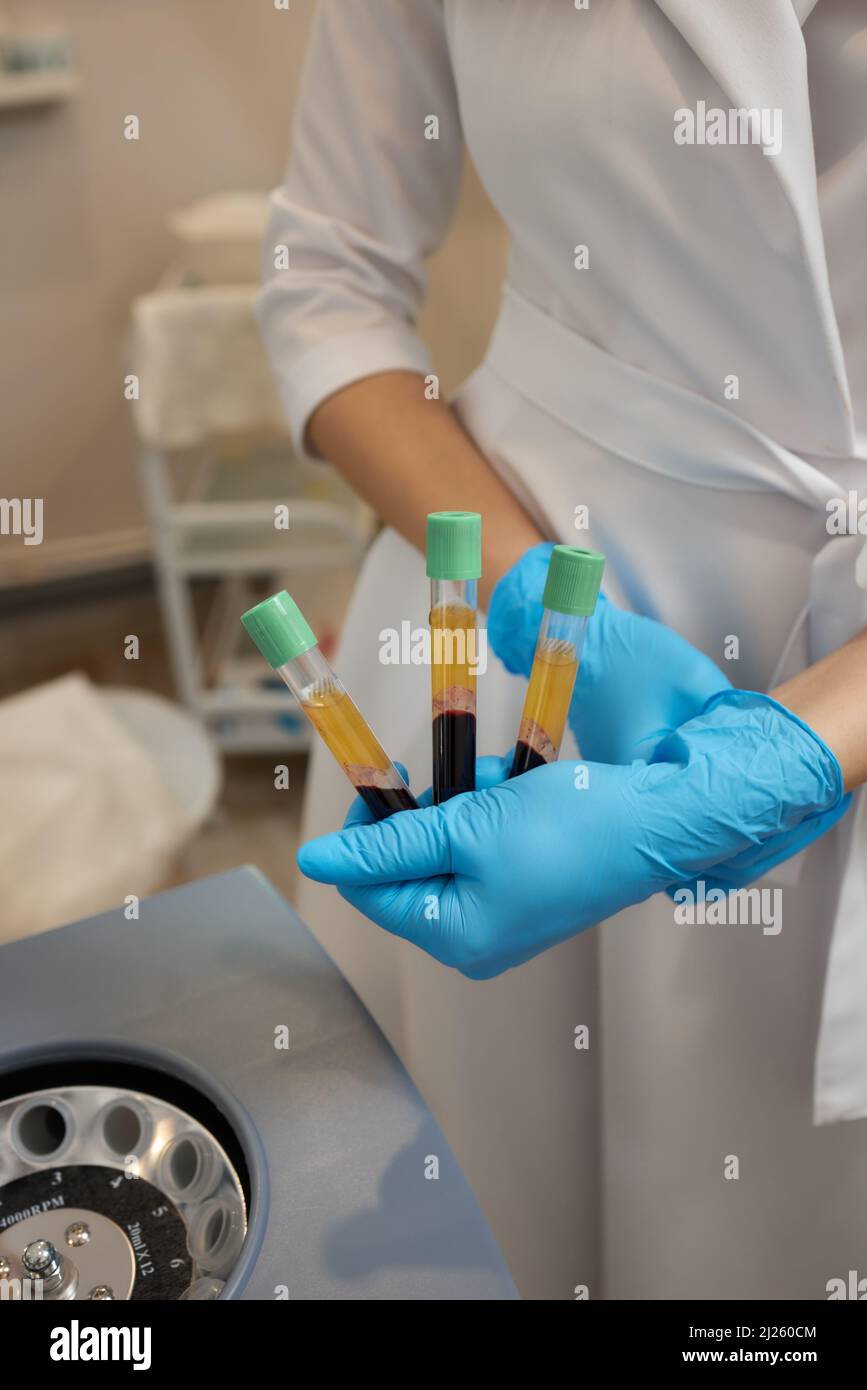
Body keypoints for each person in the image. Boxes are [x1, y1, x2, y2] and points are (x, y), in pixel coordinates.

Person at [257, 0, 867, 1299]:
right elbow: (330, 281)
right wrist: (535, 593)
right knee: (478, 1205)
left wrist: (802, 740)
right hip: (492, 620)